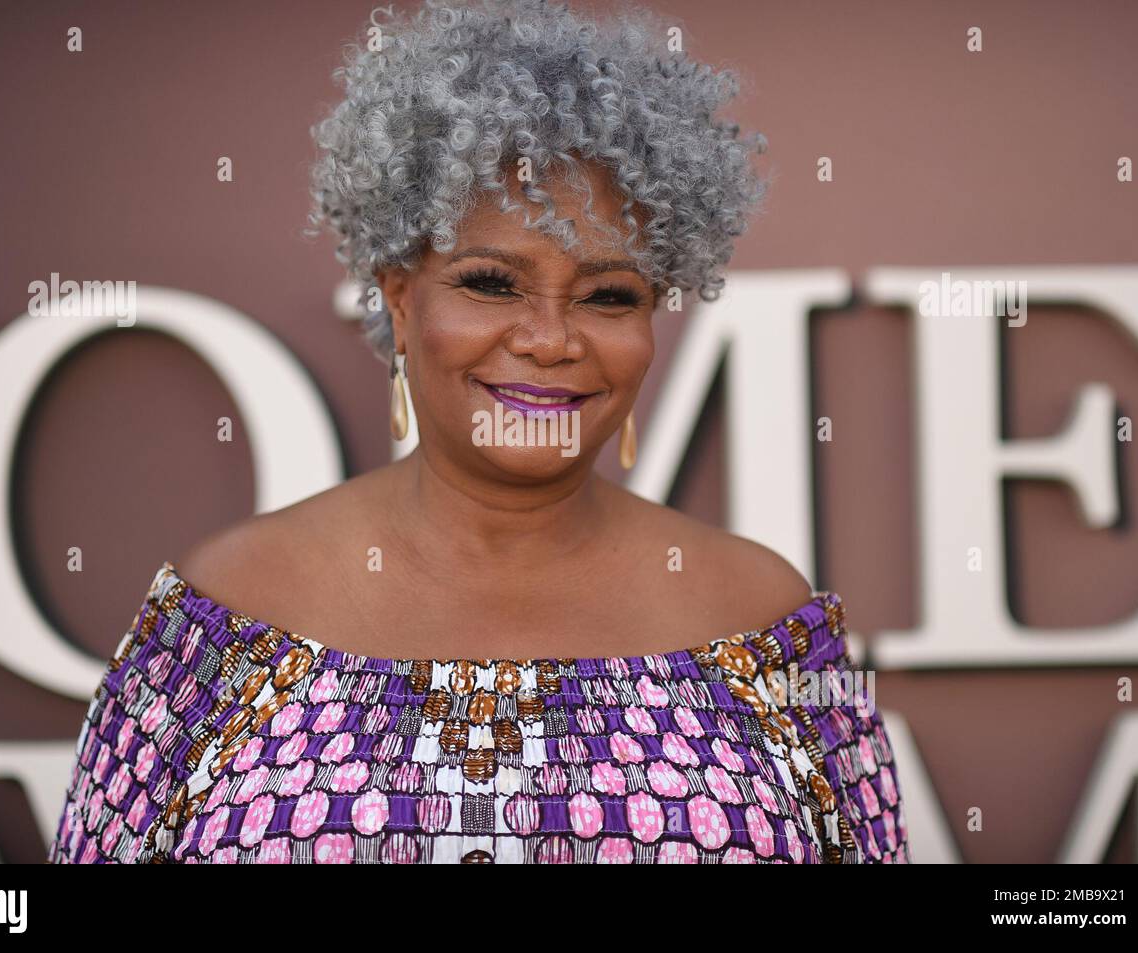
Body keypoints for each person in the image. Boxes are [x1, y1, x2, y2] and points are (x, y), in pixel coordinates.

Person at [48, 0, 909, 864]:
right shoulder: (221, 620)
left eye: (610, 295)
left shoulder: (763, 624)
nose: (550, 339)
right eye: (492, 282)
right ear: (398, 295)